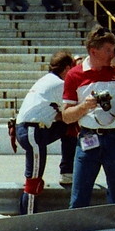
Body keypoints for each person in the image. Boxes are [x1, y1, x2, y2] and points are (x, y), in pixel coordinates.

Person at [62, 27, 115, 231]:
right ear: (93, 51)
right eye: (108, 50)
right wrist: (84, 107)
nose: (112, 54)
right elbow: (66, 116)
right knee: (80, 195)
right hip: (89, 135)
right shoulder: (75, 74)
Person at [12, 51, 75, 213]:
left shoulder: (46, 80)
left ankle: (67, 170)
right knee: (33, 181)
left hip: (30, 129)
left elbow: (62, 116)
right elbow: (70, 111)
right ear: (67, 68)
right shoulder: (59, 84)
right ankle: (28, 218)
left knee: (68, 127)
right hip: (33, 131)